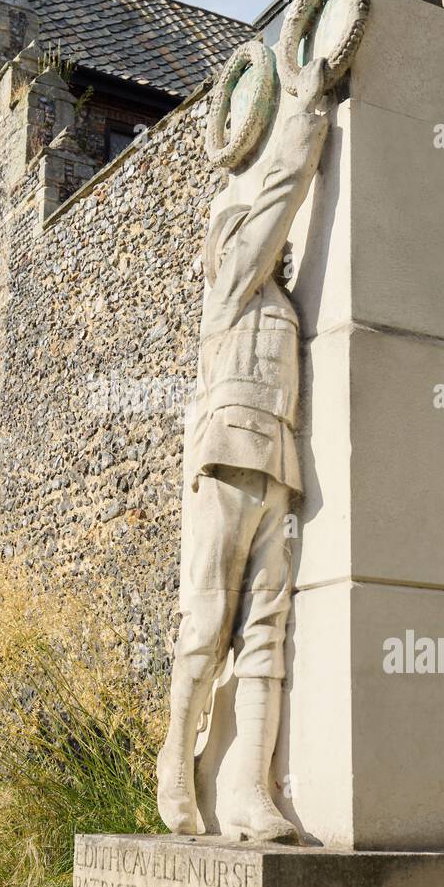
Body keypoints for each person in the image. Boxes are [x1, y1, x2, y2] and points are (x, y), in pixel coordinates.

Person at [157, 58, 330, 840]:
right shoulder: (229, 285)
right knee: (203, 624)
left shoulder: (280, 306)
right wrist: (302, 108)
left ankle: (249, 794)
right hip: (225, 457)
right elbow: (278, 197)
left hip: (276, 469)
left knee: (265, 634)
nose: (272, 251)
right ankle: (171, 759)